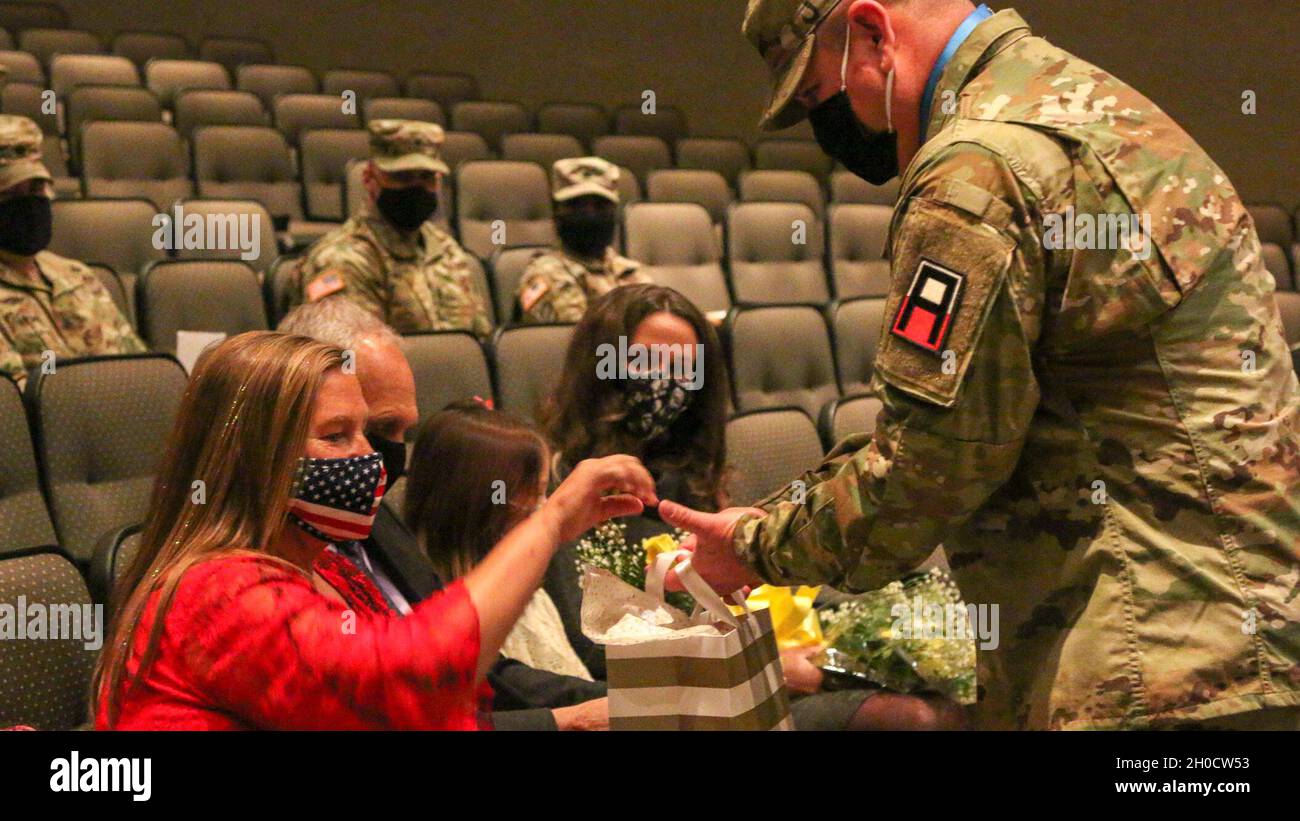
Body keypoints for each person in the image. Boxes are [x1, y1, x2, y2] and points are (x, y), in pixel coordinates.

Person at [661, 0, 1300, 730]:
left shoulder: (976, 169)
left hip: (1139, 672)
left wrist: (756, 547)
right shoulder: (1106, 111)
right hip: (1249, 642)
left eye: (817, 95)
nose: (829, 126)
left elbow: (931, 468)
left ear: (871, 33)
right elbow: (1005, 413)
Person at [93, 331, 657, 730]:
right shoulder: (214, 590)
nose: (369, 457)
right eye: (336, 436)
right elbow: (407, 683)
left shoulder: (330, 566)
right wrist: (550, 522)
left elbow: (448, 709)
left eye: (367, 431)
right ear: (253, 460)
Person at [543, 284, 967, 730]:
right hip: (670, 698)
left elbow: (766, 584)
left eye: (683, 367)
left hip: (750, 673)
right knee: (911, 719)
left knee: (944, 684)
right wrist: (772, 666)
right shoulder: (566, 482)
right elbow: (598, 647)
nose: (665, 380)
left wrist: (857, 646)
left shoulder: (686, 472)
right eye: (647, 361)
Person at [275, 299, 610, 730]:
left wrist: (623, 700)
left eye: (400, 434)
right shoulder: (255, 576)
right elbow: (393, 709)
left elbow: (473, 674)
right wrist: (566, 721)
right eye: (343, 434)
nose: (374, 457)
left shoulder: (375, 521)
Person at [405, 402, 599, 686]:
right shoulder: (446, 615)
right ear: (481, 508)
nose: (543, 510)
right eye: (531, 497)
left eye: (545, 493)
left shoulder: (530, 594)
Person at [287, 119, 492, 339]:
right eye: (402, 177)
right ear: (369, 179)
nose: (416, 188)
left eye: (426, 178)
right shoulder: (343, 259)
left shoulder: (446, 249)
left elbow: (480, 340)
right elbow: (353, 361)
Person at [0, 115, 145, 388]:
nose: (30, 203)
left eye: (36, 188)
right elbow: (15, 408)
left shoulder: (77, 275)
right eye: (11, 194)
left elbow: (140, 368)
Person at [515, 157, 650, 324]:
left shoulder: (631, 273)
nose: (590, 215)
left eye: (600, 206)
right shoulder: (546, 275)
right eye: (577, 205)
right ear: (557, 213)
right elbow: (582, 343)